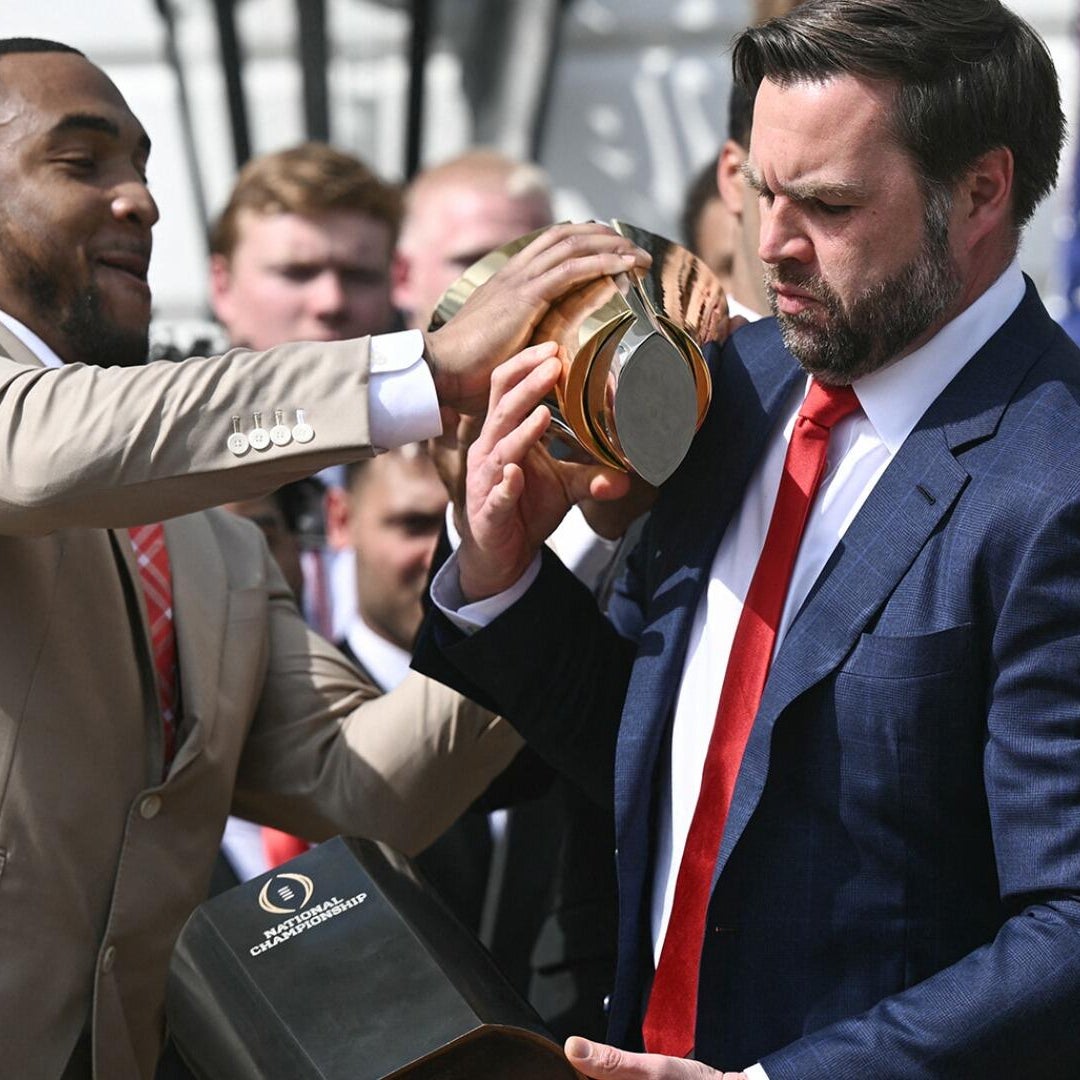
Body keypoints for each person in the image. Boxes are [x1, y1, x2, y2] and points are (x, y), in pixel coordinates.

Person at [414, 1, 1080, 1077]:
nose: (771, 244)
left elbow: (1067, 930)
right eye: (764, 191)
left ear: (983, 191)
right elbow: (655, 755)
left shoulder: (1054, 483)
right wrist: (501, 575)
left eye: (826, 203)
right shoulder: (738, 385)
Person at [0, 37, 650, 1079]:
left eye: (145, 168)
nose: (142, 202)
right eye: (83, 163)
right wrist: (426, 370)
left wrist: (531, 557)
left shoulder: (210, 542)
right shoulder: (36, 432)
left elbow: (368, 790)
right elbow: (34, 452)